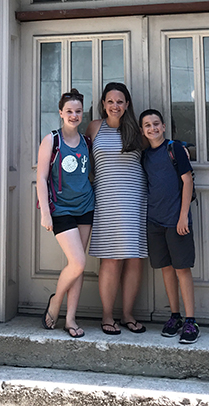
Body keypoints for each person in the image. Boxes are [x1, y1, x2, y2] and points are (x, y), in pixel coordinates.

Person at [86, 82, 148, 335]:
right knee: (110, 259)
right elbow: (83, 161)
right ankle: (107, 316)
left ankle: (128, 315)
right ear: (103, 104)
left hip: (135, 199)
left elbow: (157, 148)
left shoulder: (136, 130)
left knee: (134, 258)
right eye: (110, 101)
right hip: (106, 200)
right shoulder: (94, 127)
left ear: (127, 104)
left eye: (120, 101)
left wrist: (183, 150)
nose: (115, 106)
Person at [36, 89, 94, 338]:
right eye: (69, 111)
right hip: (61, 210)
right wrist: (45, 213)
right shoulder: (52, 140)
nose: (74, 115)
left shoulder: (86, 141)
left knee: (77, 267)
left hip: (86, 207)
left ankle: (70, 319)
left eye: (78, 111)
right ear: (61, 113)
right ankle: (56, 301)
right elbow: (41, 177)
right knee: (78, 262)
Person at [139, 108, 200, 344]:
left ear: (163, 126)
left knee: (182, 269)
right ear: (142, 131)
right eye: (147, 125)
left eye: (156, 124)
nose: (152, 128)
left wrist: (183, 216)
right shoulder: (145, 156)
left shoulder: (174, 149)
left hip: (177, 221)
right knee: (165, 269)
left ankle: (191, 320)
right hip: (154, 221)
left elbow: (187, 181)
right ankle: (175, 315)